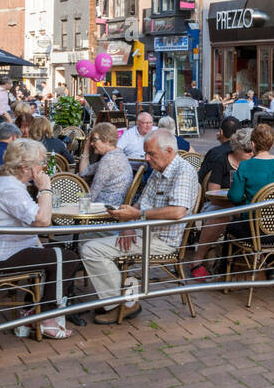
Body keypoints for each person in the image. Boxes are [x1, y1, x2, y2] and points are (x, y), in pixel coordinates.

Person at [84, 130, 200, 323]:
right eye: (146, 153)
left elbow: (178, 211)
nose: (146, 158)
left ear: (169, 151)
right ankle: (117, 296)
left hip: (162, 240)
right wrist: (129, 222)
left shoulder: (183, 171)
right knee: (91, 237)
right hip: (144, 231)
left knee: (91, 250)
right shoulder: (159, 169)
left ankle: (123, 304)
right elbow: (141, 204)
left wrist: (137, 216)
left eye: (151, 154)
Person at [0, 139, 78, 339]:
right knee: (67, 258)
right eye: (40, 163)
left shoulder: (8, 182)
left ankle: (32, 312)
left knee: (60, 251)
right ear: (24, 167)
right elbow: (43, 220)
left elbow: (29, 224)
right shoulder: (10, 188)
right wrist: (45, 188)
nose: (43, 167)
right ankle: (46, 318)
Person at [192, 128, 253, 280]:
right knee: (221, 216)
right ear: (237, 148)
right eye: (247, 150)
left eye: (254, 150)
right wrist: (230, 199)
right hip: (220, 205)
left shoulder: (253, 164)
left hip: (245, 207)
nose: (252, 153)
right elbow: (213, 193)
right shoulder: (222, 161)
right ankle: (197, 260)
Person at [80, 122, 133, 207]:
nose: (91, 143)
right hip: (111, 206)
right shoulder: (117, 155)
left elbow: (92, 194)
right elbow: (83, 173)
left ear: (107, 140)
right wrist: (86, 149)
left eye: (94, 140)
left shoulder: (109, 160)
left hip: (104, 211)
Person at [197, 117, 241, 187]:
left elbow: (200, 178)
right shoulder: (243, 153)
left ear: (221, 132)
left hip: (215, 193)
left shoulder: (214, 152)